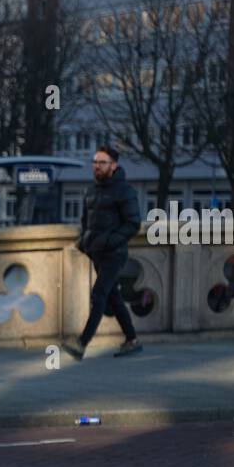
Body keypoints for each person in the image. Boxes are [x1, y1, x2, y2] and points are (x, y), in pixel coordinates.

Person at [63, 145, 142, 360]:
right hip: (95, 252)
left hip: (114, 254)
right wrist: (84, 241)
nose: (97, 166)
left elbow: (133, 223)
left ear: (114, 165)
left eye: (102, 162)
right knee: (113, 297)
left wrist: (109, 241)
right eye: (95, 162)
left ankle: (81, 343)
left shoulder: (125, 191)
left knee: (98, 294)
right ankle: (132, 339)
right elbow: (86, 221)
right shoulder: (90, 190)